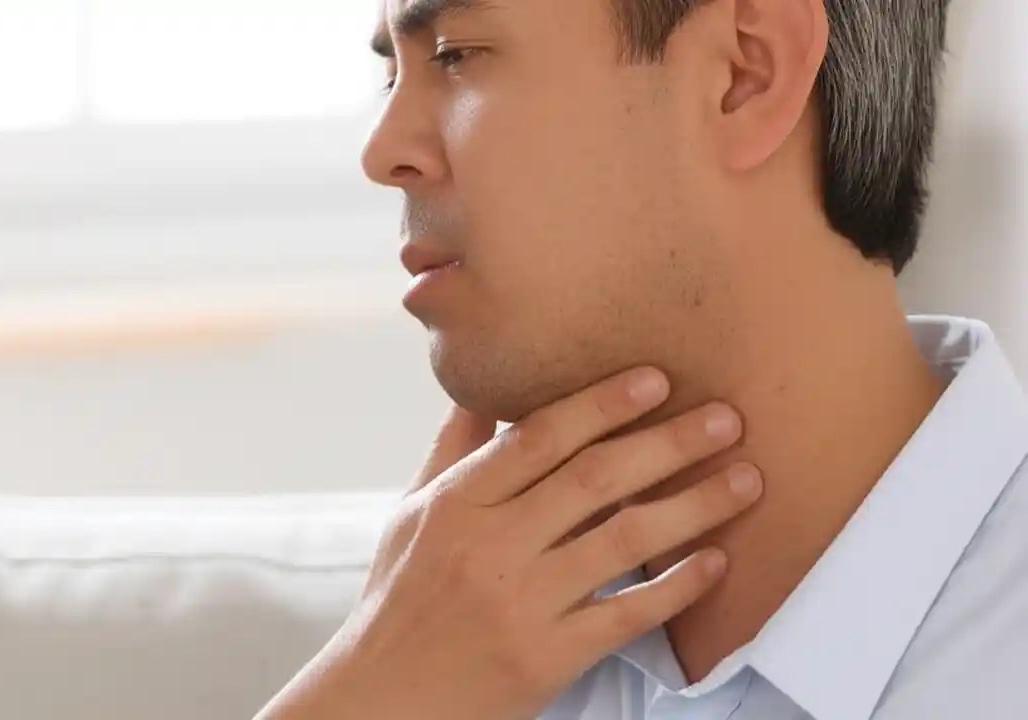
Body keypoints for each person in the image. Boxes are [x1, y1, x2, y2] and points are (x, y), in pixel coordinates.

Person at [258, 0, 1028, 718]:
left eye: (458, 55)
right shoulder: (440, 645)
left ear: (744, 75)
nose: (381, 150)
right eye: (392, 76)